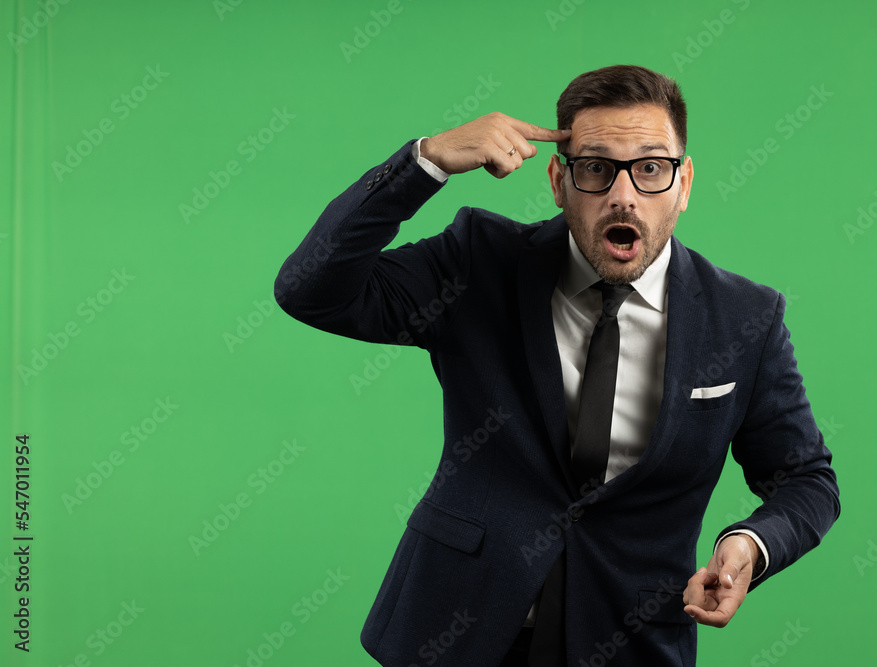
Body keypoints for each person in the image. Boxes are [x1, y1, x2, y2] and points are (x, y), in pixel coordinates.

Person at [274, 64, 839, 667]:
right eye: (596, 168)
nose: (624, 194)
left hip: (630, 641)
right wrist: (427, 160)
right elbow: (311, 288)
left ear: (684, 182)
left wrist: (749, 546)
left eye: (650, 167)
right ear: (558, 180)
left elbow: (806, 480)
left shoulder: (744, 318)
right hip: (453, 634)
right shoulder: (479, 263)